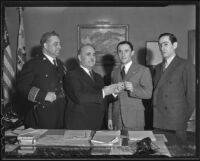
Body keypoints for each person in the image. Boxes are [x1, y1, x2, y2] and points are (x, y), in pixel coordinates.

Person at [17, 31, 67, 129]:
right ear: (45, 45)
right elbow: (21, 87)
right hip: (42, 115)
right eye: (55, 44)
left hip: (61, 113)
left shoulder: (61, 64)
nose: (59, 47)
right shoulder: (33, 64)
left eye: (60, 44)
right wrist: (43, 95)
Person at [152, 33, 195, 141]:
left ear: (174, 45)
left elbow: (192, 96)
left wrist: (182, 119)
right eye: (160, 45)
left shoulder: (186, 65)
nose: (162, 48)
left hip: (175, 123)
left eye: (166, 44)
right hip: (158, 120)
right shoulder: (157, 68)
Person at [63, 44, 117, 130]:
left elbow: (102, 98)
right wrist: (104, 92)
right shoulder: (72, 75)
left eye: (94, 54)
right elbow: (79, 97)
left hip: (98, 123)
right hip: (80, 124)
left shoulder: (98, 76)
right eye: (88, 54)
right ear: (80, 58)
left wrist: (114, 92)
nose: (92, 57)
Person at [108, 41, 153, 130]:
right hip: (116, 118)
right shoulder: (114, 72)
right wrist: (110, 117)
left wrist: (133, 89)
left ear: (132, 53)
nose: (123, 54)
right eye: (120, 51)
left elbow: (148, 94)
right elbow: (111, 96)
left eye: (126, 51)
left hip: (134, 119)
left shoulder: (143, 70)